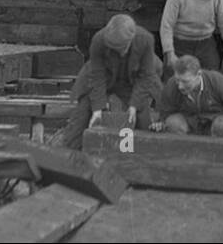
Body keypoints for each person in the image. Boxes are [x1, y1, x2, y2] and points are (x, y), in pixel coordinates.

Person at [62, 14, 161, 149]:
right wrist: (97, 108)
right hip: (103, 78)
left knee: (142, 118)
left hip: (131, 82)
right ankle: (70, 153)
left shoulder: (146, 39)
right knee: (82, 113)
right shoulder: (98, 39)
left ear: (130, 40)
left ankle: (144, 157)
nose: (118, 52)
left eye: (121, 48)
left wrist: (134, 105)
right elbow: (96, 75)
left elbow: (146, 77)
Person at [153, 55, 223, 138]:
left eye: (185, 82)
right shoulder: (171, 85)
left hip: (216, 119)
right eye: (177, 80)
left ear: (199, 75)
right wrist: (160, 122)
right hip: (188, 120)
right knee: (173, 123)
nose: (180, 86)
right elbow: (165, 110)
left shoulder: (220, 83)